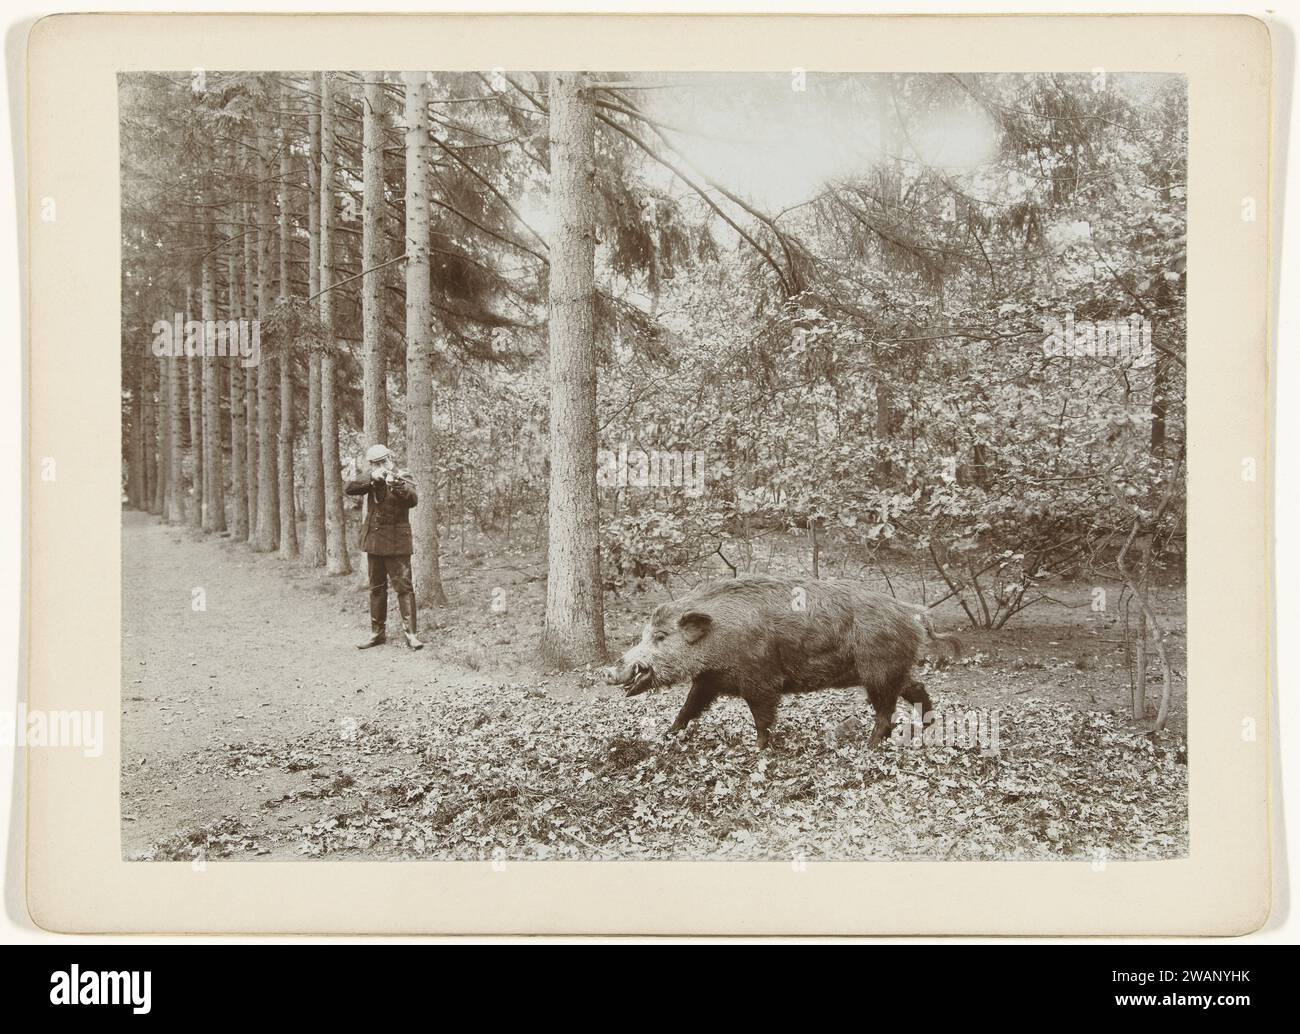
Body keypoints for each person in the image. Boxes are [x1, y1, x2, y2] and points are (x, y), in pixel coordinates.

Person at [344, 444, 423, 650]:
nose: (380, 465)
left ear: (390, 459)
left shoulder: (402, 475)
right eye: (375, 463)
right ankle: (377, 633)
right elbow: (349, 488)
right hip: (375, 542)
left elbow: (412, 500)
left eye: (382, 461)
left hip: (397, 543)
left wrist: (395, 484)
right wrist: (372, 478)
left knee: (404, 588)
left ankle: (411, 635)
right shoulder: (371, 479)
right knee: (376, 588)